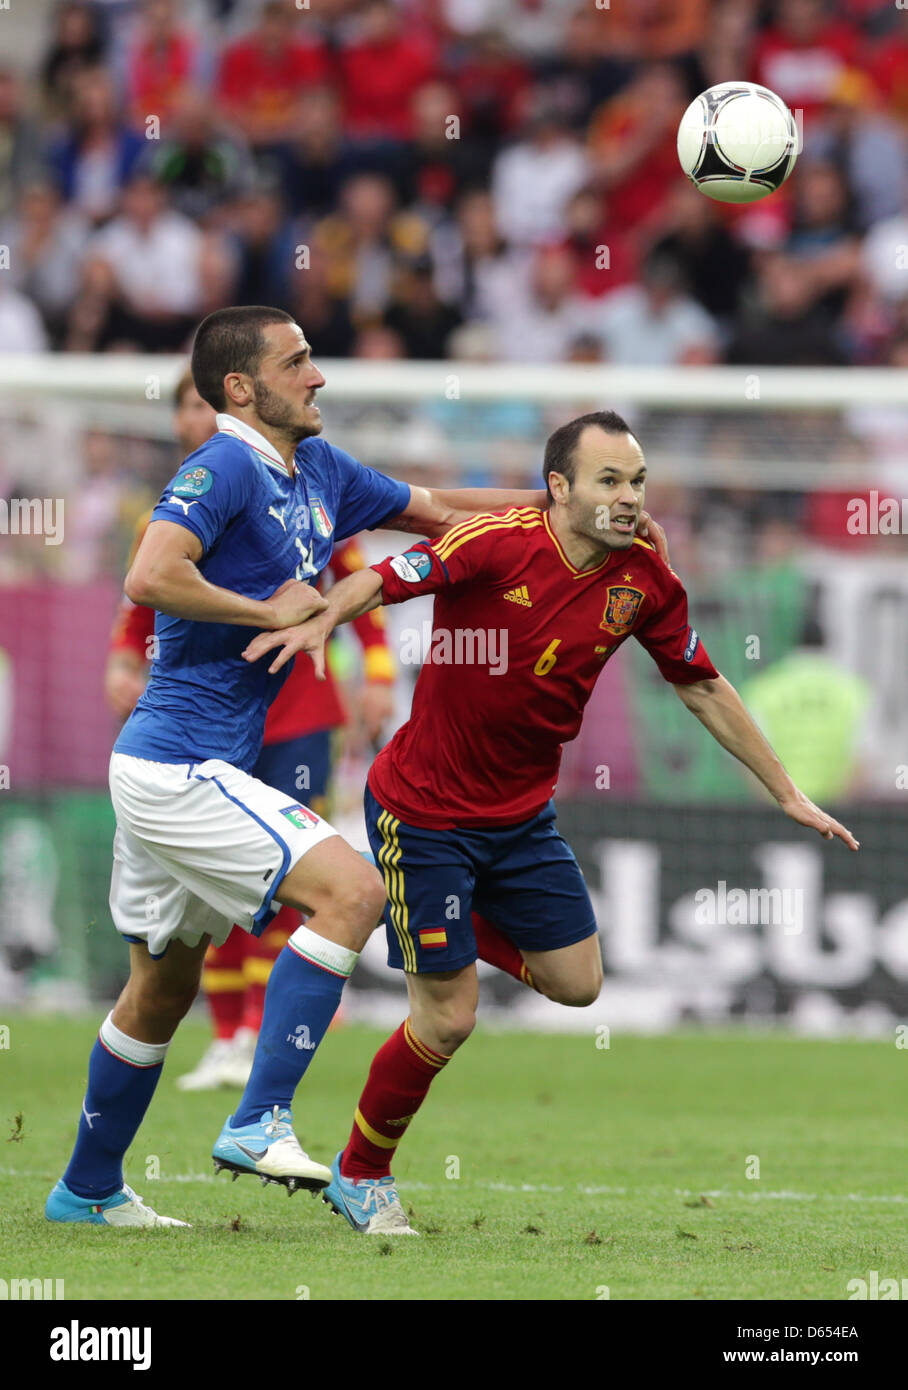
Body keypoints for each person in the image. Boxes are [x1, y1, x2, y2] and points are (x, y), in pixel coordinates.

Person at [49, 305, 654, 1229]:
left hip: (196, 768)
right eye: (297, 363)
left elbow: (441, 513)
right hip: (175, 766)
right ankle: (259, 1120)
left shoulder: (319, 468)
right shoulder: (221, 466)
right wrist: (274, 609)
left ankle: (85, 1189)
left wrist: (565, 505)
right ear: (242, 388)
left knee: (160, 988)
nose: (318, 376)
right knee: (355, 894)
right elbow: (149, 576)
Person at [245, 409, 859, 1235]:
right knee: (450, 1017)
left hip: (522, 817)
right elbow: (385, 580)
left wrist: (783, 791)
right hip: (425, 812)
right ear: (560, 488)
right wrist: (324, 614)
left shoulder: (644, 576)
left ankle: (438, 925)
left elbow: (704, 685)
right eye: (609, 480)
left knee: (579, 984)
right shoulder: (495, 542)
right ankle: (362, 1172)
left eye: (637, 481)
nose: (629, 497)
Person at [104, 369, 396, 1093]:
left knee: (292, 887)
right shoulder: (176, 516)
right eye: (184, 409)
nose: (195, 420)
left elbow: (356, 574)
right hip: (203, 739)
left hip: (298, 715)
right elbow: (143, 605)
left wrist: (382, 673)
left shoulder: (302, 492)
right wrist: (119, 661)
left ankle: (265, 1042)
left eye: (203, 405)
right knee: (216, 909)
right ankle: (231, 1038)